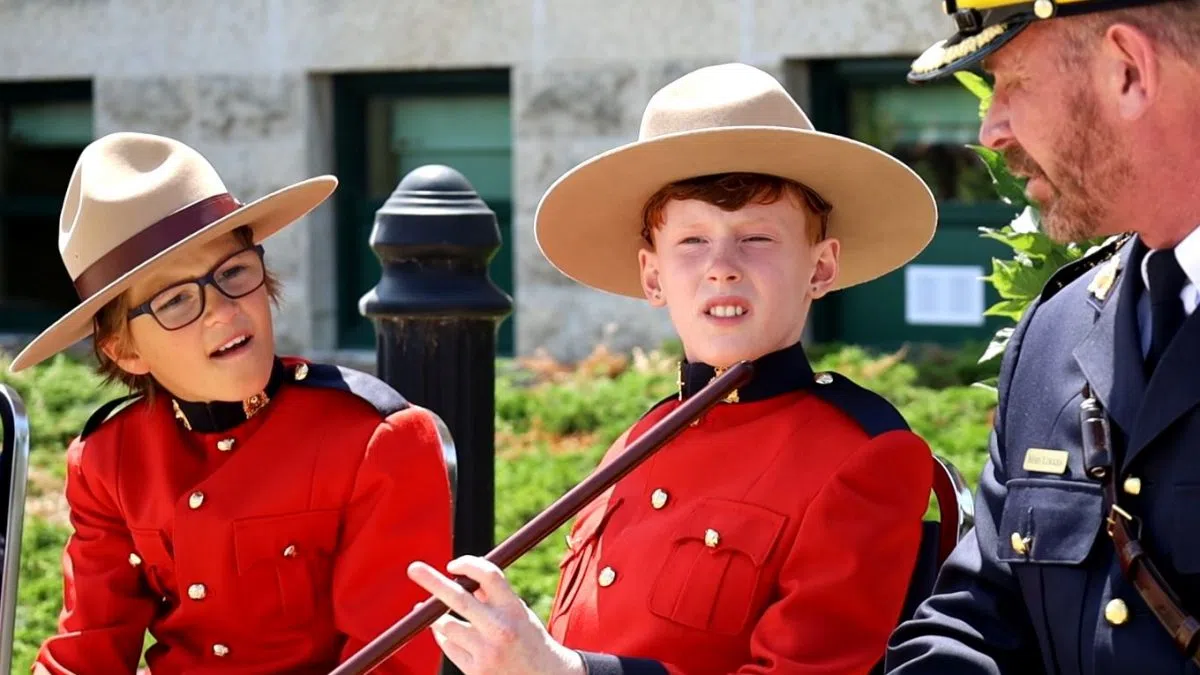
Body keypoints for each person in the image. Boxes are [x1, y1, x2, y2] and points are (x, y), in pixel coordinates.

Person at [404, 62, 940, 674]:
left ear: (820, 269)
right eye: (691, 242)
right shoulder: (638, 440)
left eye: (757, 238)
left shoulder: (864, 456)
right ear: (653, 277)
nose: (722, 266)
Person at [12, 132, 454, 674]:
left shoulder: (373, 440)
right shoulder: (109, 459)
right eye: (175, 300)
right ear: (124, 351)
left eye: (234, 272)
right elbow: (86, 653)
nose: (223, 310)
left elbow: (392, 665)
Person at [886, 1, 1200, 674]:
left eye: (1012, 82)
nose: (992, 129)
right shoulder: (1055, 333)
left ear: (1127, 71)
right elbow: (980, 617)